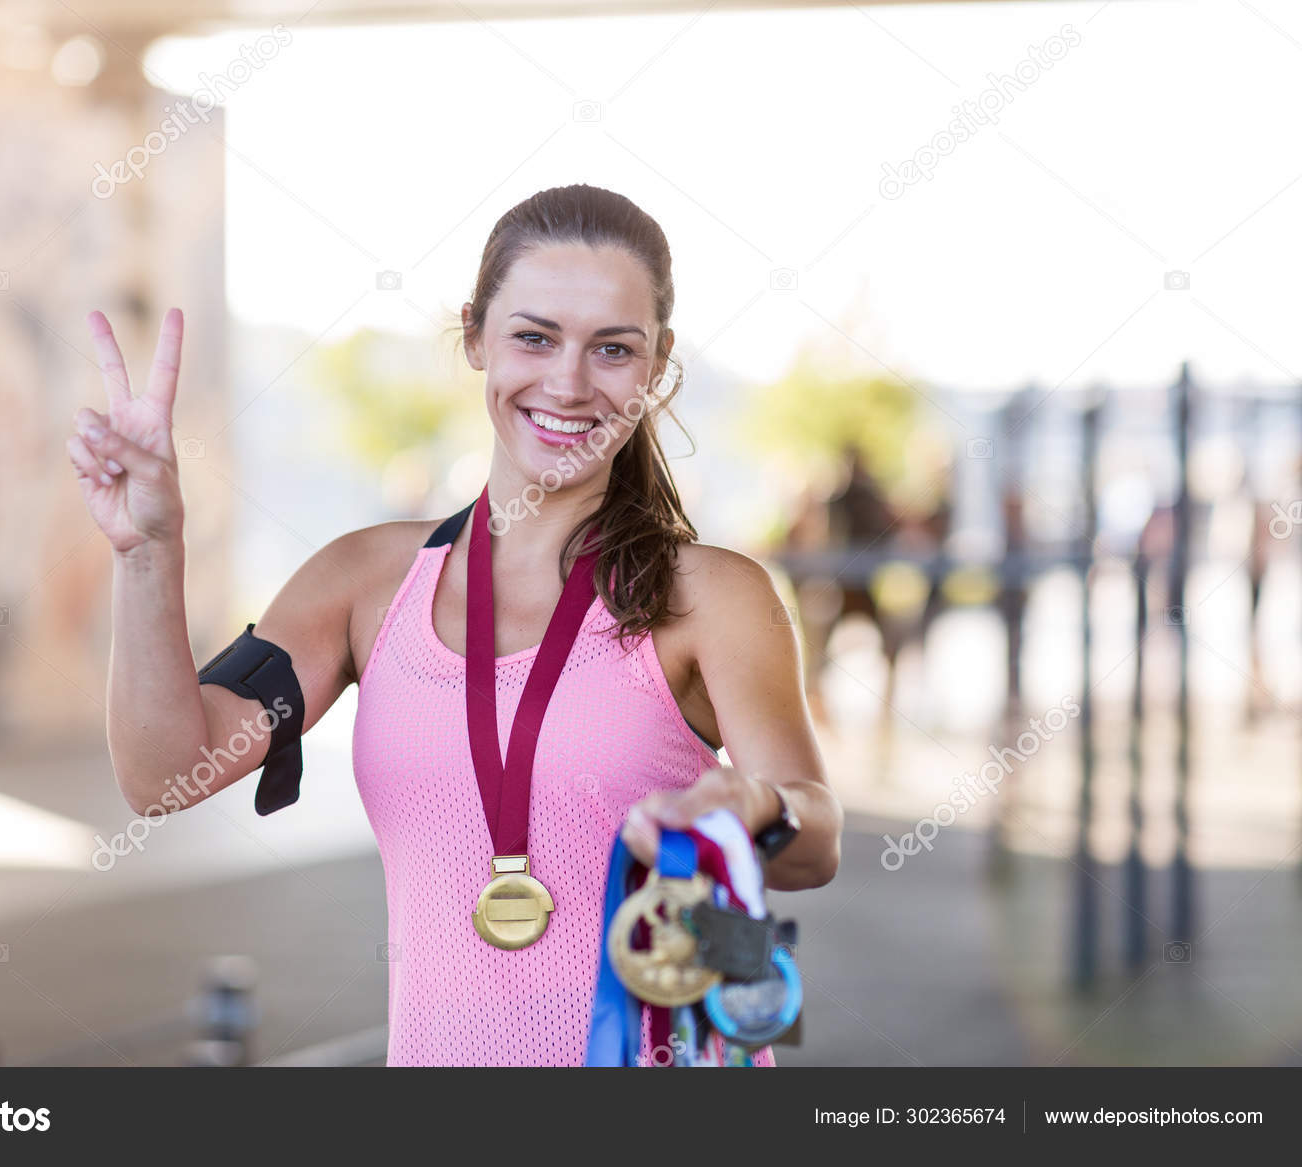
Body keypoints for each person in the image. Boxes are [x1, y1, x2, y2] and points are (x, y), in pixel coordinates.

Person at [66, 184, 842, 1067]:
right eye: (534, 336)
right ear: (475, 335)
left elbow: (814, 840)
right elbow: (163, 773)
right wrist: (147, 552)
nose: (569, 383)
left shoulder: (709, 594)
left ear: (659, 362)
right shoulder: (365, 581)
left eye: (613, 349)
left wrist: (752, 807)